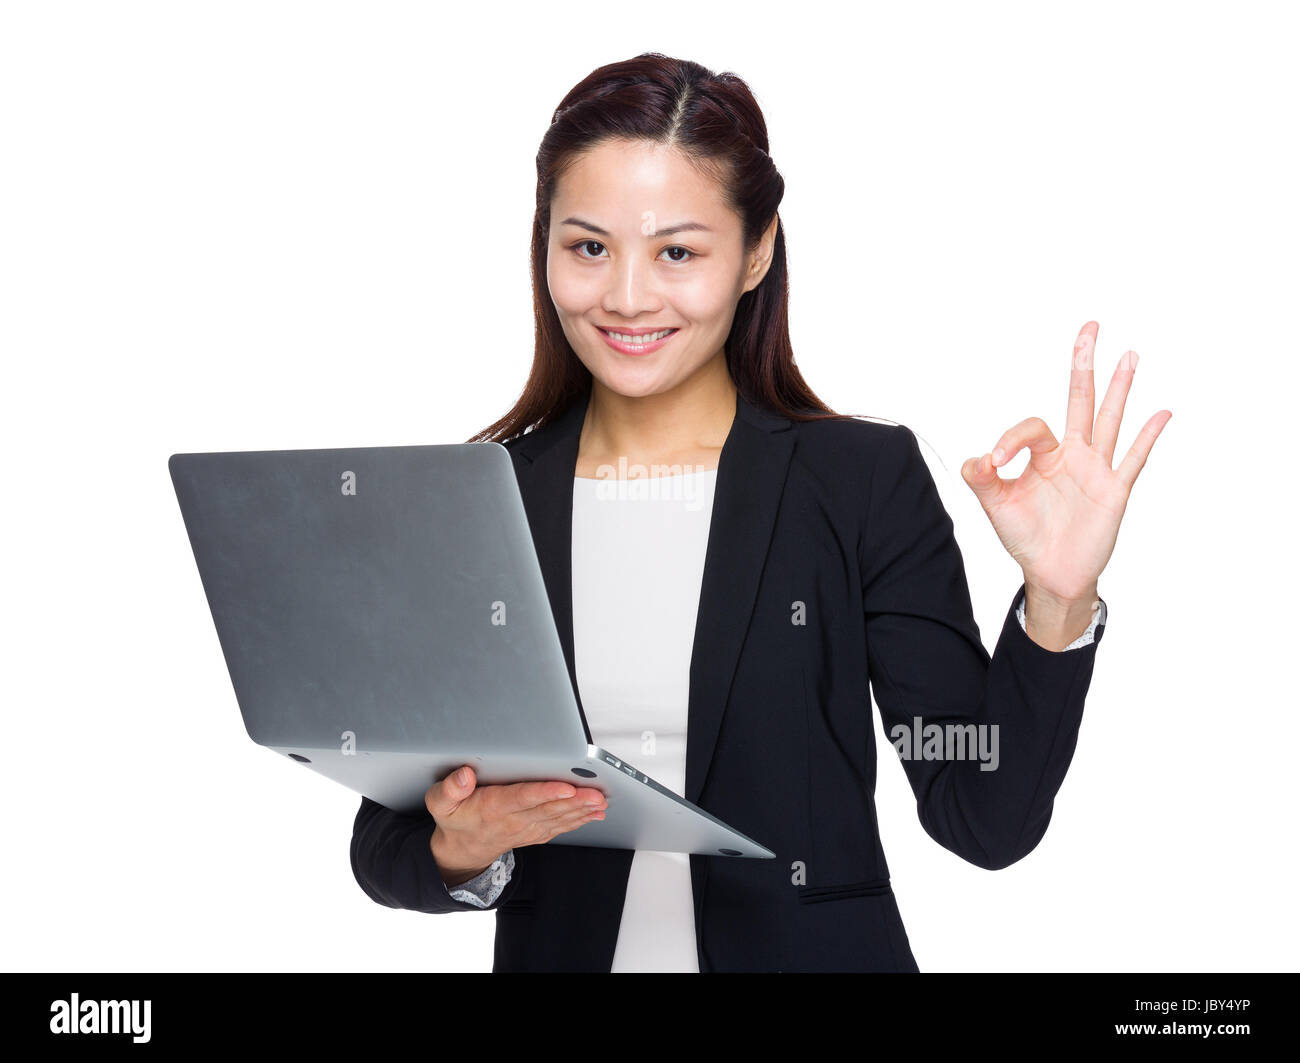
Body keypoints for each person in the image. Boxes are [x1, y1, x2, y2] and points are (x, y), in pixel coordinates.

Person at [349, 53, 1170, 972]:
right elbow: (386, 843)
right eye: (588, 246)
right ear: (544, 245)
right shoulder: (484, 498)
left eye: (678, 252)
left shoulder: (859, 480)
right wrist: (465, 847)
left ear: (758, 250)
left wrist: (1057, 606)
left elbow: (981, 813)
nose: (626, 296)